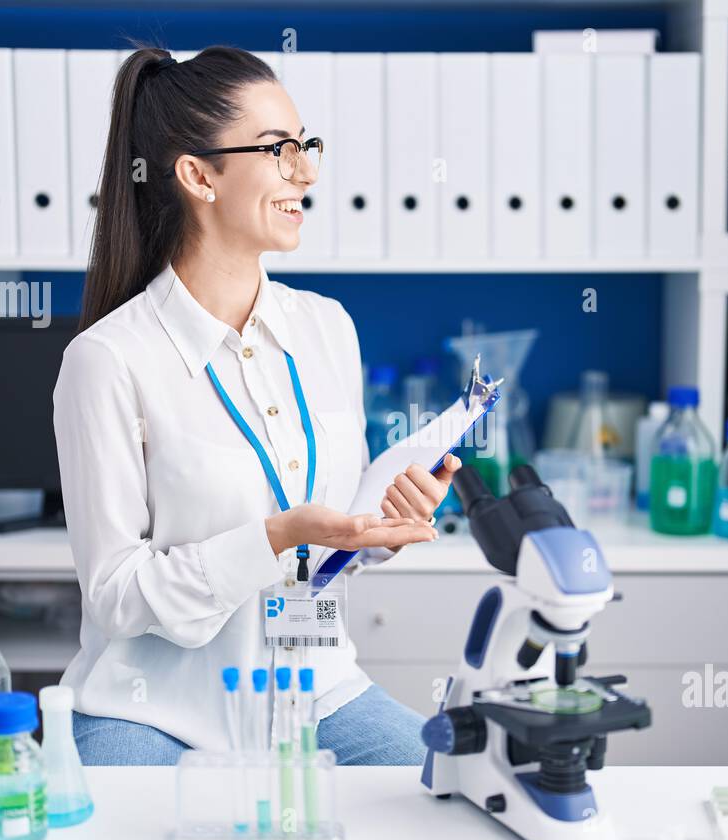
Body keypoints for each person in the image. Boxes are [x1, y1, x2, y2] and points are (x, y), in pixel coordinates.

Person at [52, 45, 458, 766]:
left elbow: (328, 552)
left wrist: (380, 528)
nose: (307, 171)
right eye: (279, 150)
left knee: (446, 807)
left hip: (316, 694)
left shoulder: (328, 327)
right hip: (154, 714)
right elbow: (114, 595)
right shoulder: (107, 362)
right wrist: (272, 537)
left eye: (308, 146)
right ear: (198, 175)